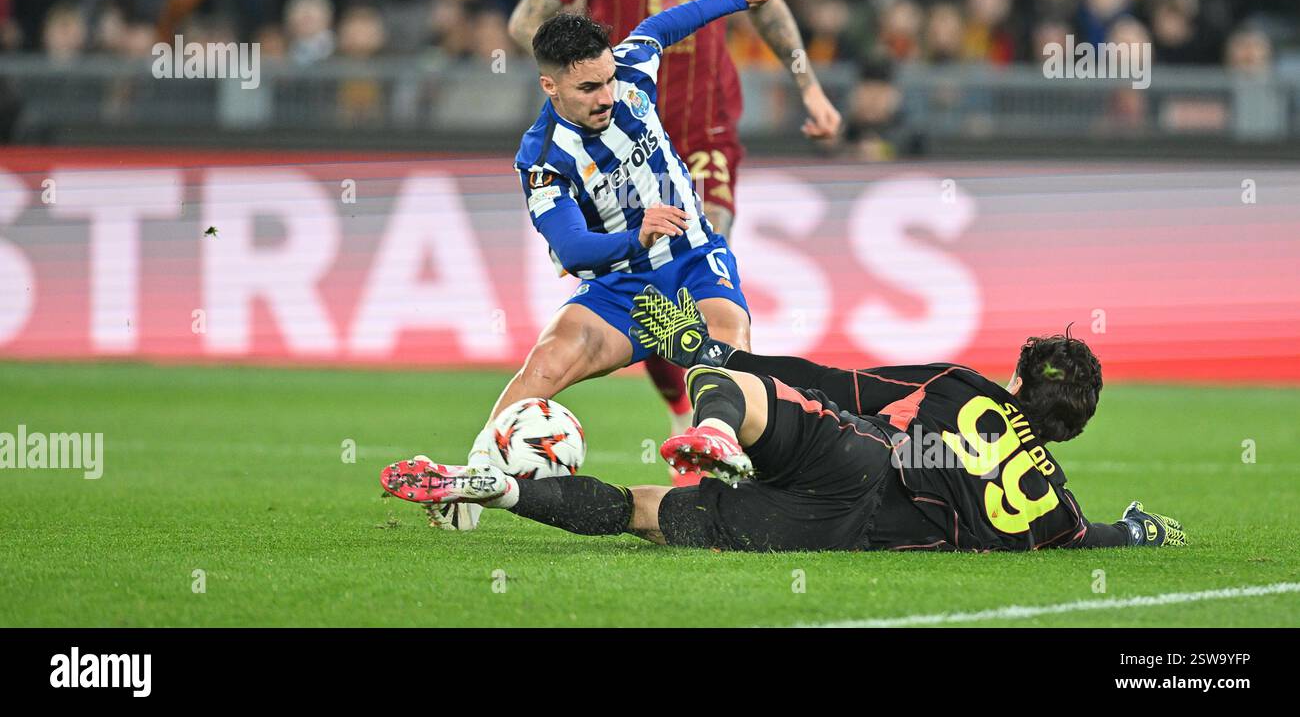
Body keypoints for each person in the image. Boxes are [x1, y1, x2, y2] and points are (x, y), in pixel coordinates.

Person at [508, 0, 841, 464]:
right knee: (652, 292)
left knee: (701, 258)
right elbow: (528, 20)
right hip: (616, 143)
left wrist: (809, 86)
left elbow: (766, 12)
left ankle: (717, 423)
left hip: (705, 130)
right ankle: (692, 408)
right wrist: (573, 75)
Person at [388, 287, 1186, 552]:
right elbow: (1105, 537)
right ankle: (500, 492)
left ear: (1016, 376)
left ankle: (721, 426)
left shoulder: (963, 386)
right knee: (639, 511)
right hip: (834, 528)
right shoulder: (1057, 511)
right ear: (1066, 432)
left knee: (729, 378)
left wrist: (722, 360)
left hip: (860, 455)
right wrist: (1143, 529)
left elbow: (839, 380)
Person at [425, 0, 780, 530]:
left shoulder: (632, 74)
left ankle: (717, 442)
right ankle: (475, 481)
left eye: (608, 80)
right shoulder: (543, 157)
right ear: (551, 87)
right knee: (544, 364)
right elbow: (570, 249)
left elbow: (664, 23)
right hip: (620, 283)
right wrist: (635, 235)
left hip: (689, 255)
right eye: (589, 88)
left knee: (727, 339)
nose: (607, 96)